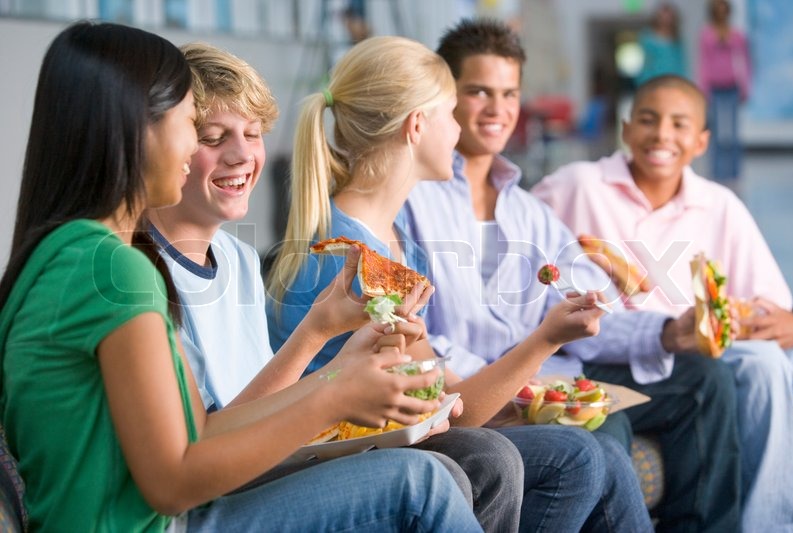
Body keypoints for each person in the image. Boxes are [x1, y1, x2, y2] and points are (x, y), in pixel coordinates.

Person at [0, 21, 481, 532]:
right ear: (132, 129)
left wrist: (338, 371)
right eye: (195, 128)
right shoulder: (116, 270)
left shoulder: (68, 253)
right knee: (421, 483)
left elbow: (200, 434)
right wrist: (334, 397)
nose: (193, 151)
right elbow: (173, 483)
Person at [266, 33, 653, 532]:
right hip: (341, 455)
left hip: (394, 434)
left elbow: (450, 394)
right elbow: (451, 410)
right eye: (451, 113)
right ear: (417, 126)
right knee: (572, 457)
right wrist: (545, 340)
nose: (458, 130)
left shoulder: (395, 236)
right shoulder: (356, 259)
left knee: (592, 451)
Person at [146, 41, 524, 530]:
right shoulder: (141, 277)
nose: (241, 154)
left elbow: (256, 406)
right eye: (214, 137)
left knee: (486, 458)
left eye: (254, 133)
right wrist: (335, 382)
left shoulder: (237, 257)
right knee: (433, 478)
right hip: (207, 497)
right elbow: (204, 449)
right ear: (169, 146)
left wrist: (333, 350)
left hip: (255, 460)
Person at [401, 19, 743, 532]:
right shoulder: (412, 203)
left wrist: (669, 331)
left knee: (706, 379)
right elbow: (418, 338)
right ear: (445, 98)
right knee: (608, 428)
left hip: (543, 375)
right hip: (480, 389)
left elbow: (585, 305)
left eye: (509, 93)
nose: (498, 109)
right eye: (479, 92)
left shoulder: (526, 209)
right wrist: (520, 375)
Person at [533, 74, 793, 530]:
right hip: (602, 352)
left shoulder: (720, 205)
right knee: (713, 376)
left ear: (700, 141)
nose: (661, 135)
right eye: (649, 120)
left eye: (679, 125)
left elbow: (770, 305)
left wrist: (789, 323)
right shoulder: (577, 185)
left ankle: (770, 525)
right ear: (626, 129)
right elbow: (521, 239)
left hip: (692, 351)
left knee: (767, 364)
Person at [698, 0, 751, 182]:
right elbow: (704, 63)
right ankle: (716, 172)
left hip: (733, 87)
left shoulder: (737, 36)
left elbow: (744, 63)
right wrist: (703, 89)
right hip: (714, 88)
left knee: (734, 134)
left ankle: (734, 172)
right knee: (716, 133)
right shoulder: (707, 35)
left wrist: (745, 87)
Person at [635, 2, 687, 87]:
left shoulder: (676, 39)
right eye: (663, 15)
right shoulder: (647, 38)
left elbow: (681, 64)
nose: (666, 19)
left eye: (669, 16)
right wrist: (644, 84)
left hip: (674, 84)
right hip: (654, 84)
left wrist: (683, 83)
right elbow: (644, 65)